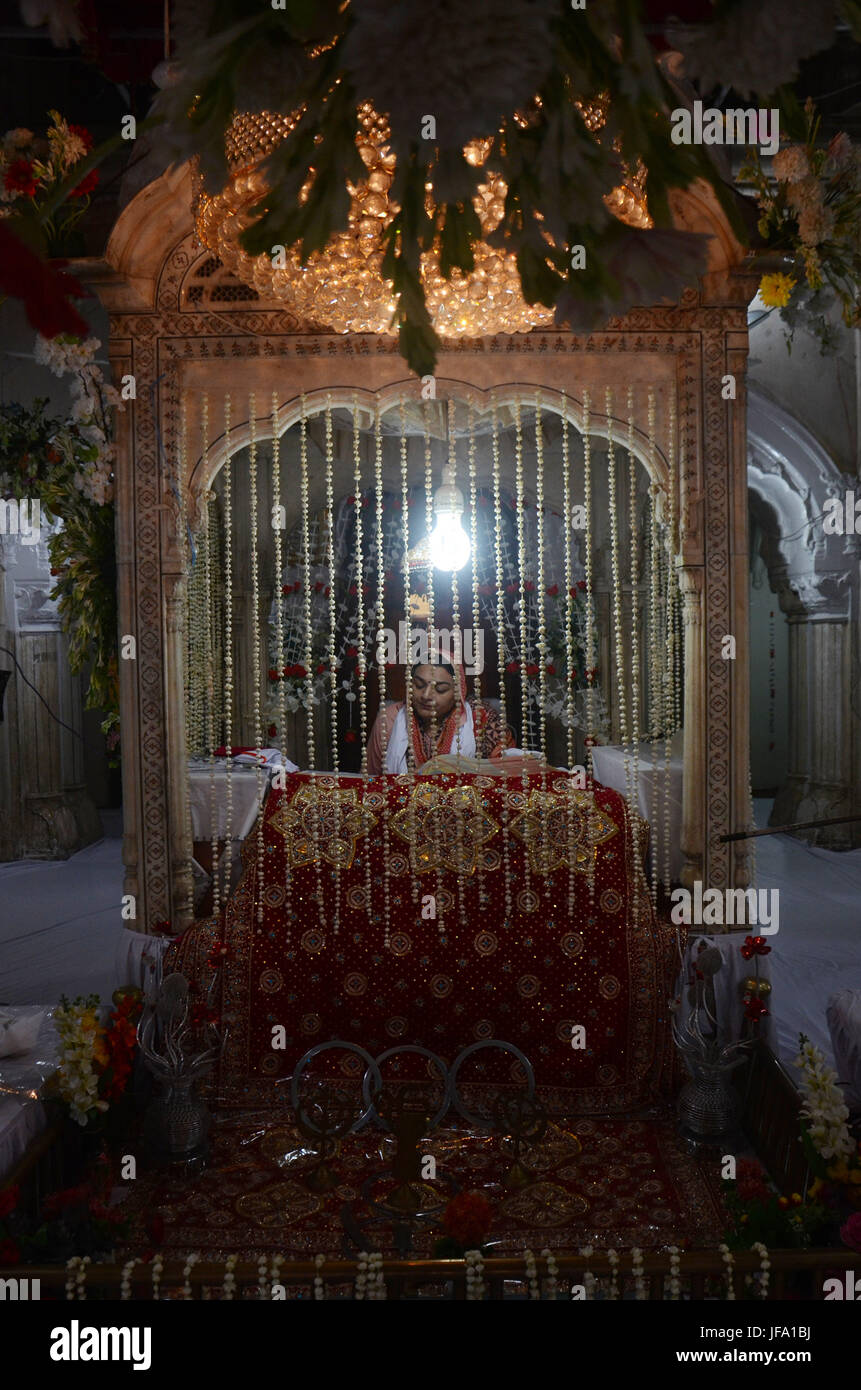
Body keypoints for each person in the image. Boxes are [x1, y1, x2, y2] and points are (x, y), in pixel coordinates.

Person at [366, 660, 515, 774]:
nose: (426, 696)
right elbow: (371, 777)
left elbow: (506, 773)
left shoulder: (482, 719)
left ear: (459, 692)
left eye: (440, 689)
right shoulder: (390, 718)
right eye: (418, 685)